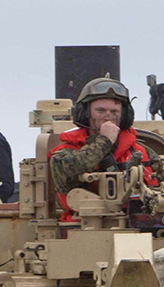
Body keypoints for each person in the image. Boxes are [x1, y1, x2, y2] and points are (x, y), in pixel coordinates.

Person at [46, 78, 156, 219]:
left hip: (137, 225)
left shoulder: (139, 150)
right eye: (100, 110)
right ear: (85, 113)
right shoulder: (65, 152)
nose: (108, 116)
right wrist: (105, 141)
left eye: (114, 111)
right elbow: (74, 166)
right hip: (83, 227)